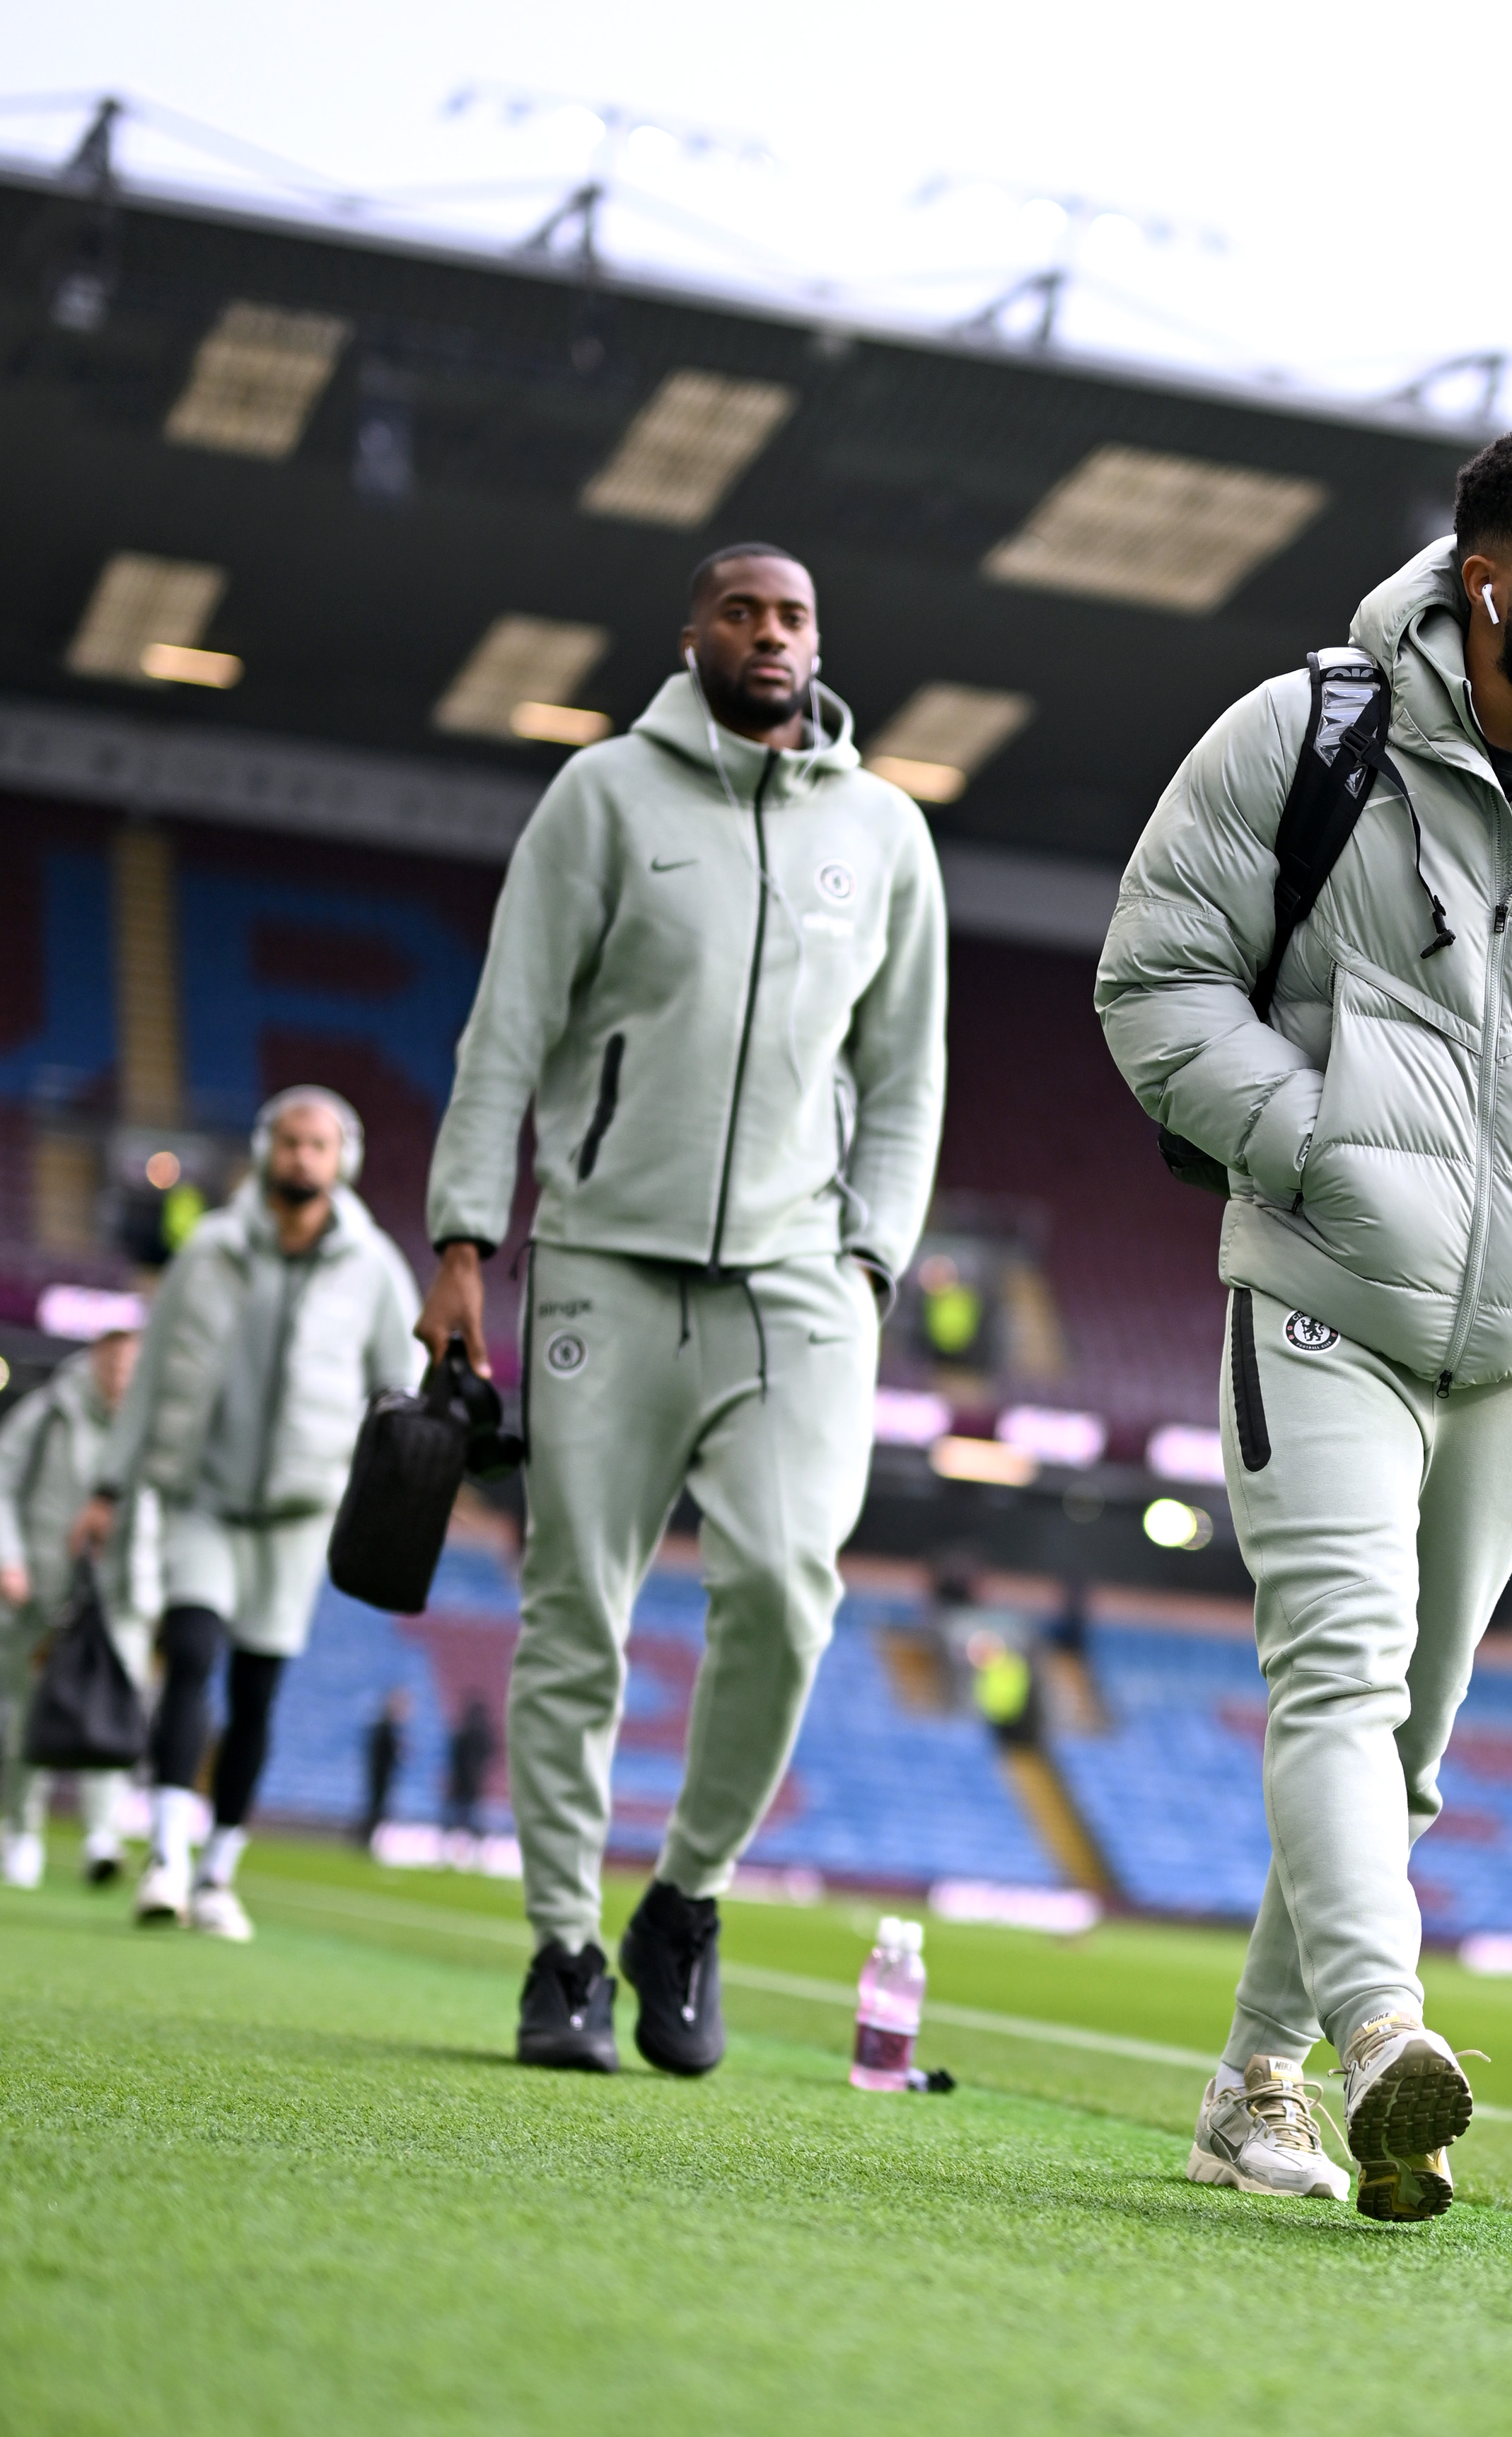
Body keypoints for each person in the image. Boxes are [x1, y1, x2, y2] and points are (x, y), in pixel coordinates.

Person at [1097, 427, 1512, 2221]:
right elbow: (1153, 980)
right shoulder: (1305, 735)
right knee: (1337, 1664)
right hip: (1320, 1289)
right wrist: (1318, 1150)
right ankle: (1388, 2033)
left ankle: (1257, 2085)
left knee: (1413, 1729)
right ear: (1488, 578)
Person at [418, 542, 946, 2075]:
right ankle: (565, 1952)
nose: (769, 634)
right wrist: (464, 1237)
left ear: (817, 643)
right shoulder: (603, 797)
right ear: (694, 635)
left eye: (791, 615)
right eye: (742, 612)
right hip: (600, 1260)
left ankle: (685, 1903)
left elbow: (904, 1078)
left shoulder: (884, 833)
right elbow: (504, 1031)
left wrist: (868, 1261)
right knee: (577, 1608)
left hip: (799, 1282)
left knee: (788, 1588)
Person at [72, 1088, 421, 1937]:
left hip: (300, 1513)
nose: (304, 1157)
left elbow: (398, 1392)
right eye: (291, 1141)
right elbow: (153, 1375)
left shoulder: (374, 1268)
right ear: (267, 1150)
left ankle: (219, 1871)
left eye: (320, 1145)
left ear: (345, 1161)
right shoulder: (211, 1250)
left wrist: (394, 1500)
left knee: (258, 1691)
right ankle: (165, 1855)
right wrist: (111, 1486)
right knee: (189, 1653)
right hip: (204, 1496)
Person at [0, 1320, 160, 1887]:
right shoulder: (50, 1412)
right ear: (95, 1359)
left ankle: (102, 1837)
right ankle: (20, 1833)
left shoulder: (158, 1423)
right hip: (47, 1589)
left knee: (114, 1714)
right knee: (31, 1714)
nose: (120, 1376)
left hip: (123, 1595)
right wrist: (8, 1558)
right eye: (112, 1362)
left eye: (132, 1365)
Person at [359, 1687, 409, 1844]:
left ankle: (369, 1840)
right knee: (376, 1809)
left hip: (380, 1776)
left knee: (377, 1809)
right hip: (380, 1776)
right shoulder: (386, 1730)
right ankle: (367, 1840)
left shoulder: (386, 1728)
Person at [443, 1694, 496, 1837]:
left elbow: (453, 1758)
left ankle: (449, 1843)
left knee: (457, 1815)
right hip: (473, 1782)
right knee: (471, 1816)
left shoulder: (462, 1734)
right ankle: (474, 1845)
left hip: (462, 1781)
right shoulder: (483, 1734)